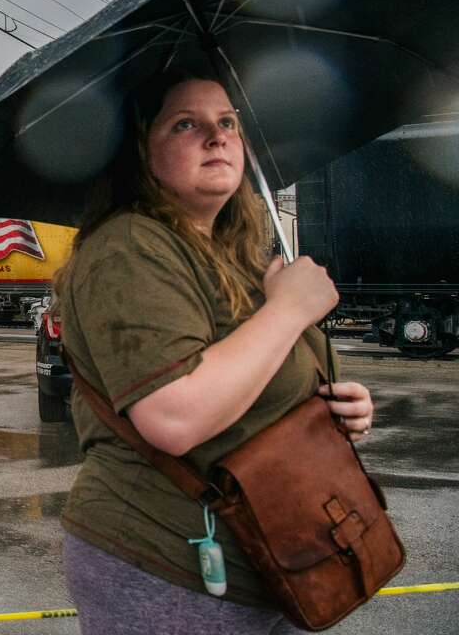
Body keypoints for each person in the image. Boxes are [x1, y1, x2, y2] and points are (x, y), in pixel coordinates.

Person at [56, 71, 375, 634]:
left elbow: (255, 376)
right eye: (186, 124)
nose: (217, 136)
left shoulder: (232, 251)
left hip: (269, 549)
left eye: (227, 122)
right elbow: (175, 415)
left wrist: (334, 407)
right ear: (139, 150)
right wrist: (288, 311)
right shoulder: (129, 248)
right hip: (170, 565)